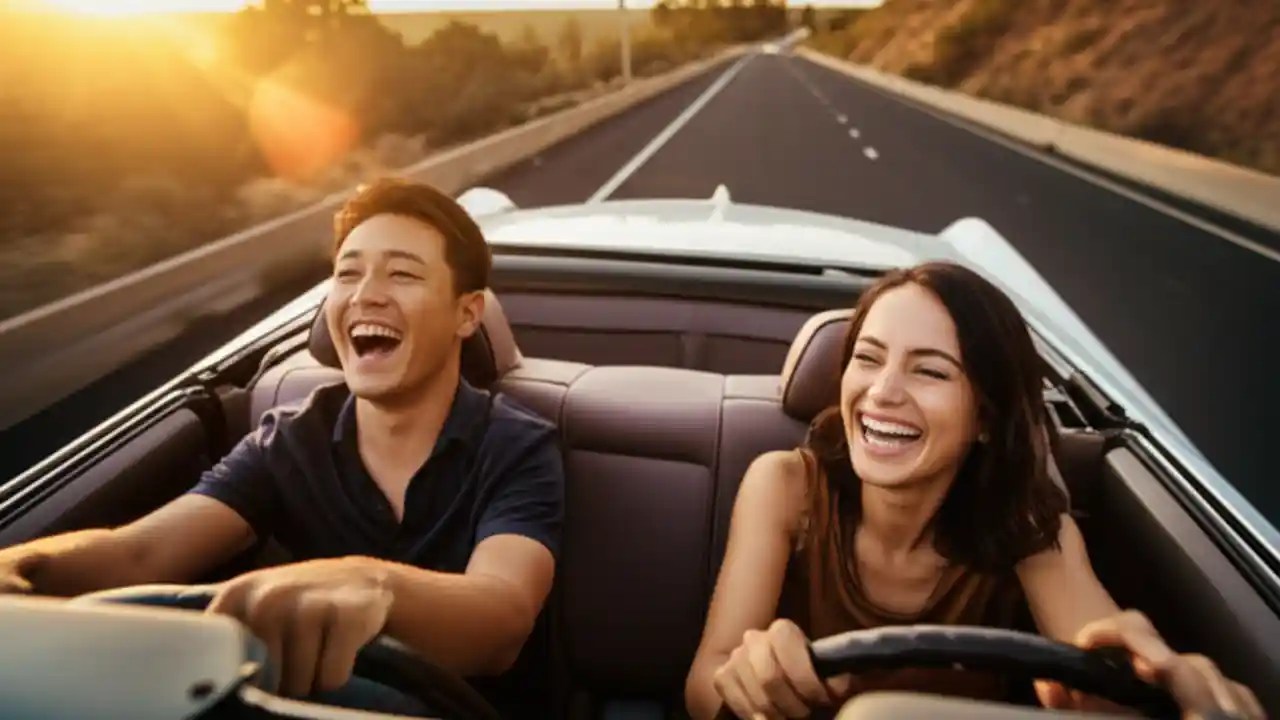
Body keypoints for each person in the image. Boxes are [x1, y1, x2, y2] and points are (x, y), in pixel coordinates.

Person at [0, 177, 564, 717]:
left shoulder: (516, 444)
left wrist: (367, 583)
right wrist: (26, 569)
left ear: (467, 313)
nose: (366, 294)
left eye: (402, 274)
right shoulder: (289, 439)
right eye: (347, 274)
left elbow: (502, 619)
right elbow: (139, 555)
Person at [684, 262, 1263, 720]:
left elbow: (1102, 657)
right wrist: (749, 681)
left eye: (930, 371)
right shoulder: (785, 485)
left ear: (986, 417)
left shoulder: (1030, 528)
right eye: (868, 359)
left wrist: (1161, 682)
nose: (882, 391)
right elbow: (703, 687)